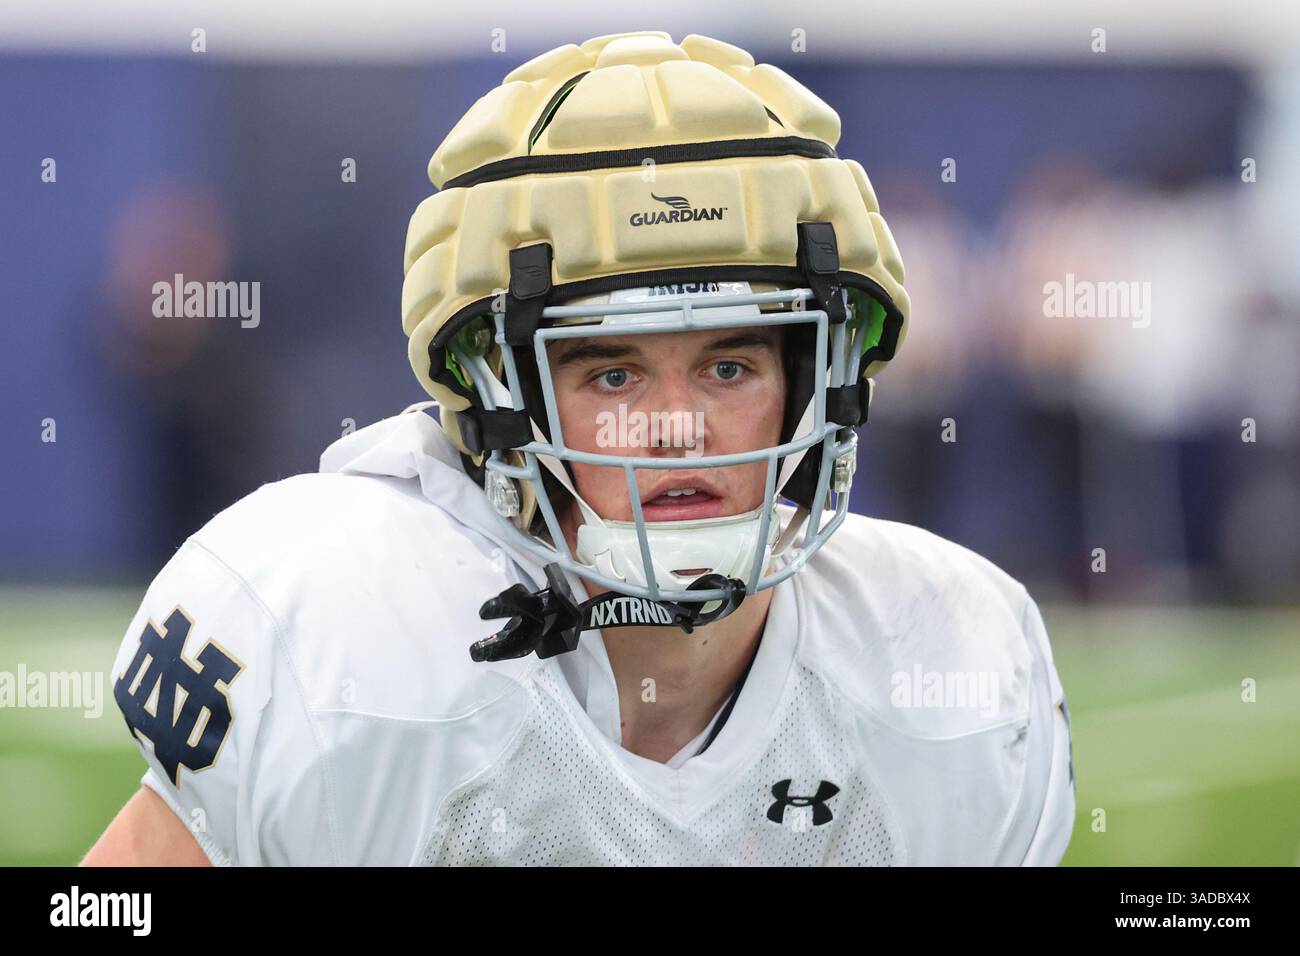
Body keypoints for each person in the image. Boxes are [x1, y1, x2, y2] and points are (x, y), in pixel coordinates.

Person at [84, 30, 1073, 866]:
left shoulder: (950, 674)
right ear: (496, 393)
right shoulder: (348, 643)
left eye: (730, 366)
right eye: (612, 374)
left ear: (818, 384)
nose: (675, 422)